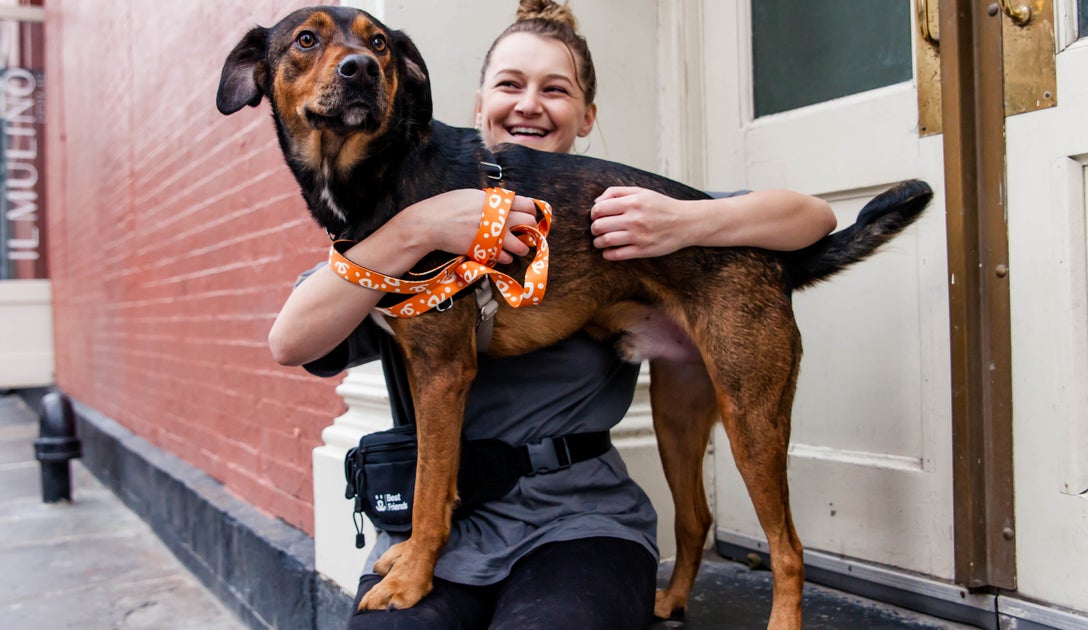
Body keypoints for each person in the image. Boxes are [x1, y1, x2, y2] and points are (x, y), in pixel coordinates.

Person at [270, 1, 836, 628]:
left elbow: (813, 219)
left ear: (587, 116)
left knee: (748, 444)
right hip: (451, 527)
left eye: (556, 90)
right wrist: (420, 227)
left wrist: (688, 219)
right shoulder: (389, 230)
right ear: (477, 105)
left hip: (580, 521)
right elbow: (290, 340)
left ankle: (781, 580)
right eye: (510, 85)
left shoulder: (634, 210)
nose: (530, 105)